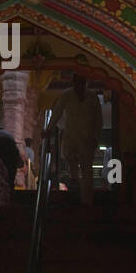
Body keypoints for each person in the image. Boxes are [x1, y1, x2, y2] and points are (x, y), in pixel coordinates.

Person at [44, 73, 103, 205]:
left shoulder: (92, 97)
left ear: (86, 82)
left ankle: (87, 201)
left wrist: (95, 137)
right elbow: (57, 112)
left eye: (82, 81)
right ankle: (74, 182)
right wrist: (48, 129)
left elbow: (98, 119)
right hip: (71, 134)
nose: (80, 84)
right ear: (74, 82)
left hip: (87, 138)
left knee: (87, 170)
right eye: (78, 81)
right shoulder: (67, 95)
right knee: (70, 158)